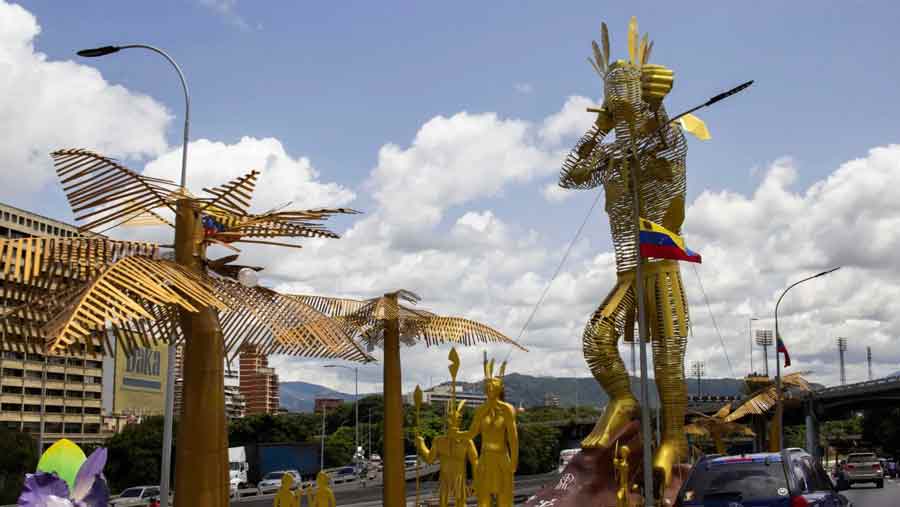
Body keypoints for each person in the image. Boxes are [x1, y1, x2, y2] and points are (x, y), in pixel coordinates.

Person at [465, 356, 518, 507]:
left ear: (499, 388)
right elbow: (472, 433)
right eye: (487, 387)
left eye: (493, 386)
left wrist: (514, 461)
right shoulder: (481, 410)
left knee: (504, 499)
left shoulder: (507, 409)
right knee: (483, 499)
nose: (489, 389)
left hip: (502, 457)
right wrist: (455, 433)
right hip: (485, 458)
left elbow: (513, 438)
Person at [417, 399, 478, 507]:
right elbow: (430, 459)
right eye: (450, 419)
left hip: (459, 480)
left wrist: (475, 482)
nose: (453, 422)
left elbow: (475, 462)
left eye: (457, 419)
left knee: (460, 503)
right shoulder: (439, 441)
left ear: (460, 421)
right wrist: (421, 445)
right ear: (447, 421)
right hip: (444, 480)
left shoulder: (466, 441)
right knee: (443, 503)